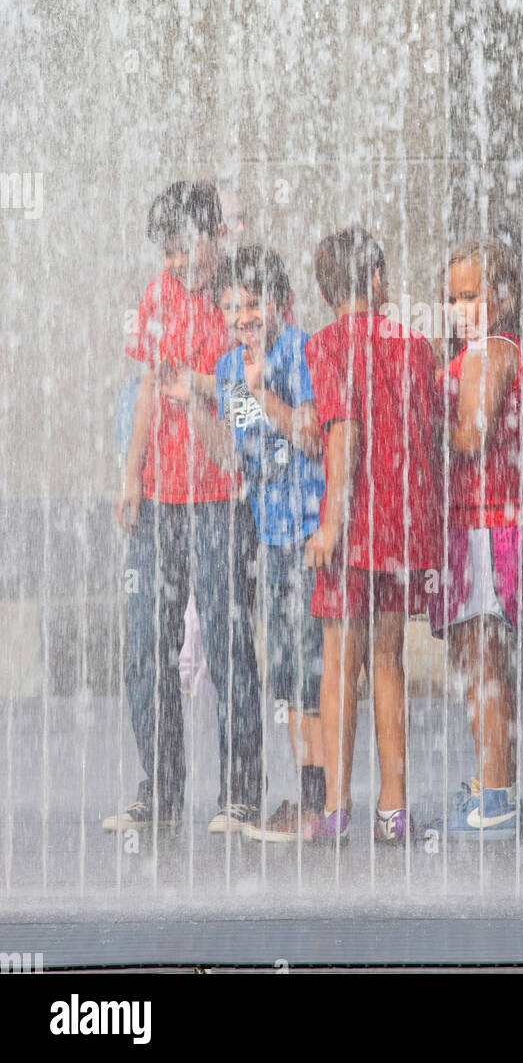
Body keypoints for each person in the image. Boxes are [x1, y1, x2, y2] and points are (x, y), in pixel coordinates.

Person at [106, 182, 262, 834]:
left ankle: (240, 794)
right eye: (166, 252)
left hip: (221, 499)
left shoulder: (242, 298)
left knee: (229, 650)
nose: (174, 263)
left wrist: (198, 394)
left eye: (183, 249)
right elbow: (147, 386)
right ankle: (161, 790)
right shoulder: (158, 294)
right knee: (146, 648)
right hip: (160, 501)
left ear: (215, 236)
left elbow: (251, 398)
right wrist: (130, 475)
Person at [170, 246, 327, 842]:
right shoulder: (231, 367)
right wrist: (196, 409)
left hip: (310, 532)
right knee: (285, 670)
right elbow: (233, 455)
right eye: (232, 306)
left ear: (279, 305)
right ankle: (306, 795)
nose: (242, 316)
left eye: (253, 303)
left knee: (310, 667)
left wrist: (262, 393)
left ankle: (320, 801)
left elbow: (312, 436)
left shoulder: (298, 349)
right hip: (271, 534)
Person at [303, 228, 443, 844]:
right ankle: (394, 809)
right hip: (402, 521)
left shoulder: (326, 344)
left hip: (352, 521)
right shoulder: (414, 344)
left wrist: (331, 523)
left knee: (339, 666)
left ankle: (336, 809)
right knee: (387, 663)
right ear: (379, 280)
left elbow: (344, 431)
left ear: (327, 290)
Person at [425, 239, 523, 839]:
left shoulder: (491, 350)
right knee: (479, 659)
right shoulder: (483, 350)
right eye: (452, 298)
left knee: (483, 661)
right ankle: (496, 782)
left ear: (505, 296)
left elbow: (470, 436)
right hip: (479, 521)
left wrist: (416, 413)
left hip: (490, 522)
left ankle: (496, 798)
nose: (460, 308)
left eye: (471, 295)